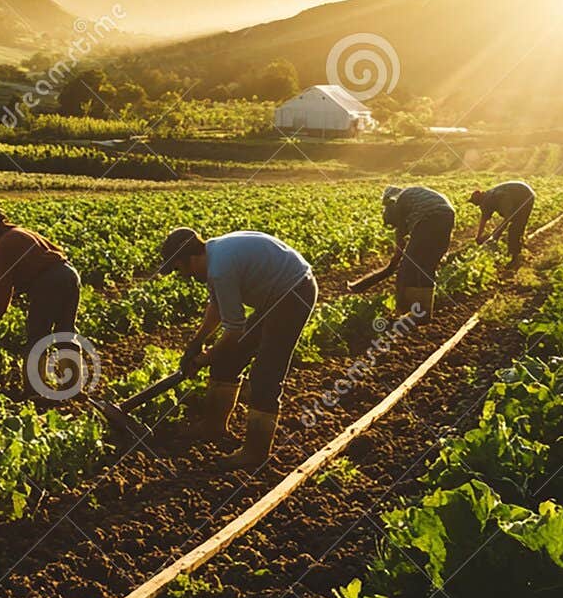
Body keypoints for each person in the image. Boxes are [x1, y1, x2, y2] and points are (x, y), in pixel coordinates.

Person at [156, 226, 318, 469]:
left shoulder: (220, 268)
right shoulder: (213, 257)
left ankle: (255, 452)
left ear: (191, 259)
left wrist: (202, 360)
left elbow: (234, 331)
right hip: (275, 295)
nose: (183, 276)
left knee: (265, 374)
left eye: (180, 269)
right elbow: (217, 308)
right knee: (228, 360)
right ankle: (214, 425)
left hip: (295, 292)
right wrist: (196, 344)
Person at [0, 208, 83, 396]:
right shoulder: (21, 233)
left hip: (50, 282)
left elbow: (1, 293)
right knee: (66, 331)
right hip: (69, 275)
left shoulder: (2, 247)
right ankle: (73, 387)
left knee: (38, 335)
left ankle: (35, 391)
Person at [348, 185, 455, 319]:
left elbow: (400, 234)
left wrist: (397, 258)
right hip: (448, 216)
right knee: (427, 266)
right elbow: (405, 235)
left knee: (407, 267)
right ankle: (424, 312)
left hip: (430, 217)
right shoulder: (412, 204)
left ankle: (403, 310)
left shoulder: (400, 200)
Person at [470, 180, 535, 266]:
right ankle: (518, 248)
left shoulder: (490, 199)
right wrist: (478, 236)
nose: (478, 206)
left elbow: (508, 218)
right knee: (518, 224)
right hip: (521, 194)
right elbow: (484, 219)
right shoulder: (487, 198)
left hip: (524, 195)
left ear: (479, 200)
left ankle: (514, 258)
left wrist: (496, 234)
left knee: (514, 228)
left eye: (476, 203)